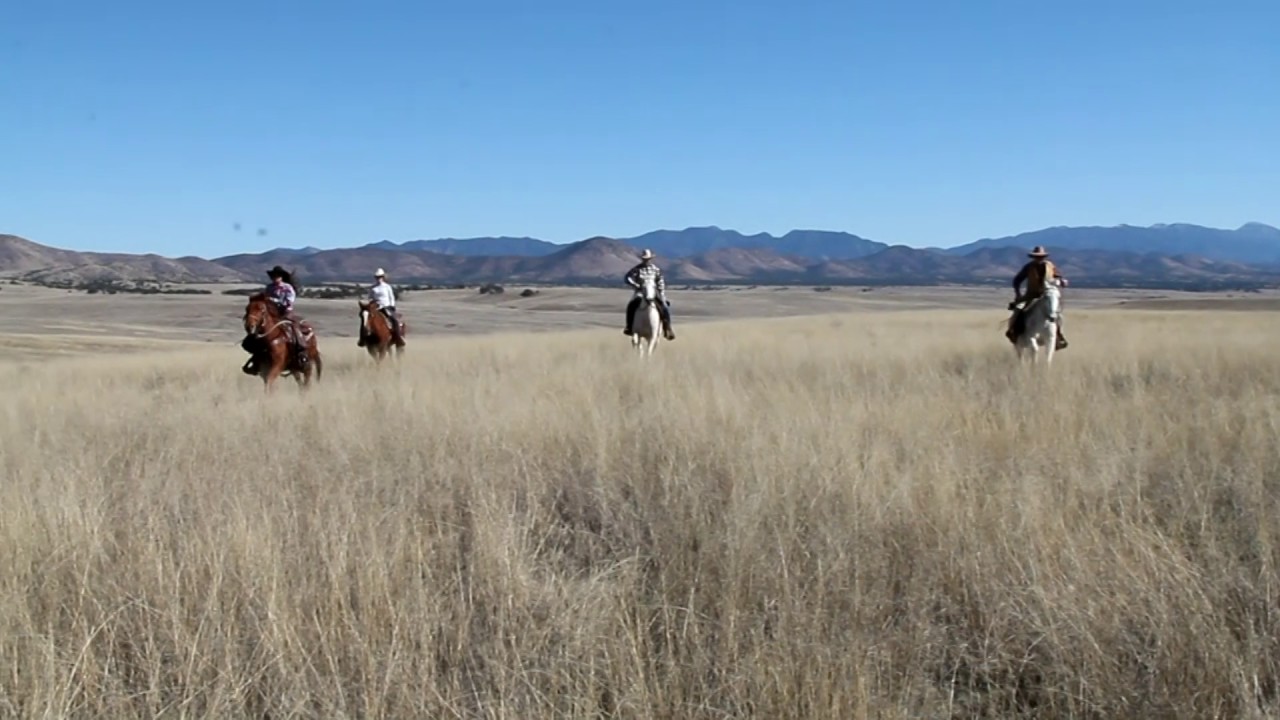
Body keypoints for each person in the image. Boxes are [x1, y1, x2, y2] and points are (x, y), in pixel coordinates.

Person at [1007, 245, 1069, 349]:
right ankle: (1014, 333)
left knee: (1058, 316)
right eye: (1037, 256)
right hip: (1031, 295)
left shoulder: (1050, 266)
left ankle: (1059, 337)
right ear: (1033, 257)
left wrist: (1062, 281)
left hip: (1047, 294)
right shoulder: (1028, 267)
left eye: (1041, 256)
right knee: (1018, 309)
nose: (1039, 258)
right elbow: (1017, 280)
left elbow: (1058, 276)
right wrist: (1018, 294)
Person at [623, 248, 675, 340]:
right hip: (640, 292)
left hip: (654, 291)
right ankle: (629, 327)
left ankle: (667, 329)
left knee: (664, 306)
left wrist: (661, 293)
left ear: (650, 259)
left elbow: (660, 281)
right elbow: (627, 278)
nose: (646, 260)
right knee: (631, 306)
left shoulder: (655, 269)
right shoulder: (637, 269)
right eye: (644, 259)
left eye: (647, 259)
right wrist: (636, 285)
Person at [359, 267, 404, 346]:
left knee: (394, 320)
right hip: (376, 307)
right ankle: (362, 339)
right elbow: (370, 298)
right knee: (365, 320)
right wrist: (372, 304)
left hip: (386, 306)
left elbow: (391, 297)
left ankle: (398, 338)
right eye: (377, 277)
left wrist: (392, 306)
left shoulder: (387, 287)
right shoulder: (373, 288)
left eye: (380, 277)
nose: (378, 278)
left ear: (383, 277)